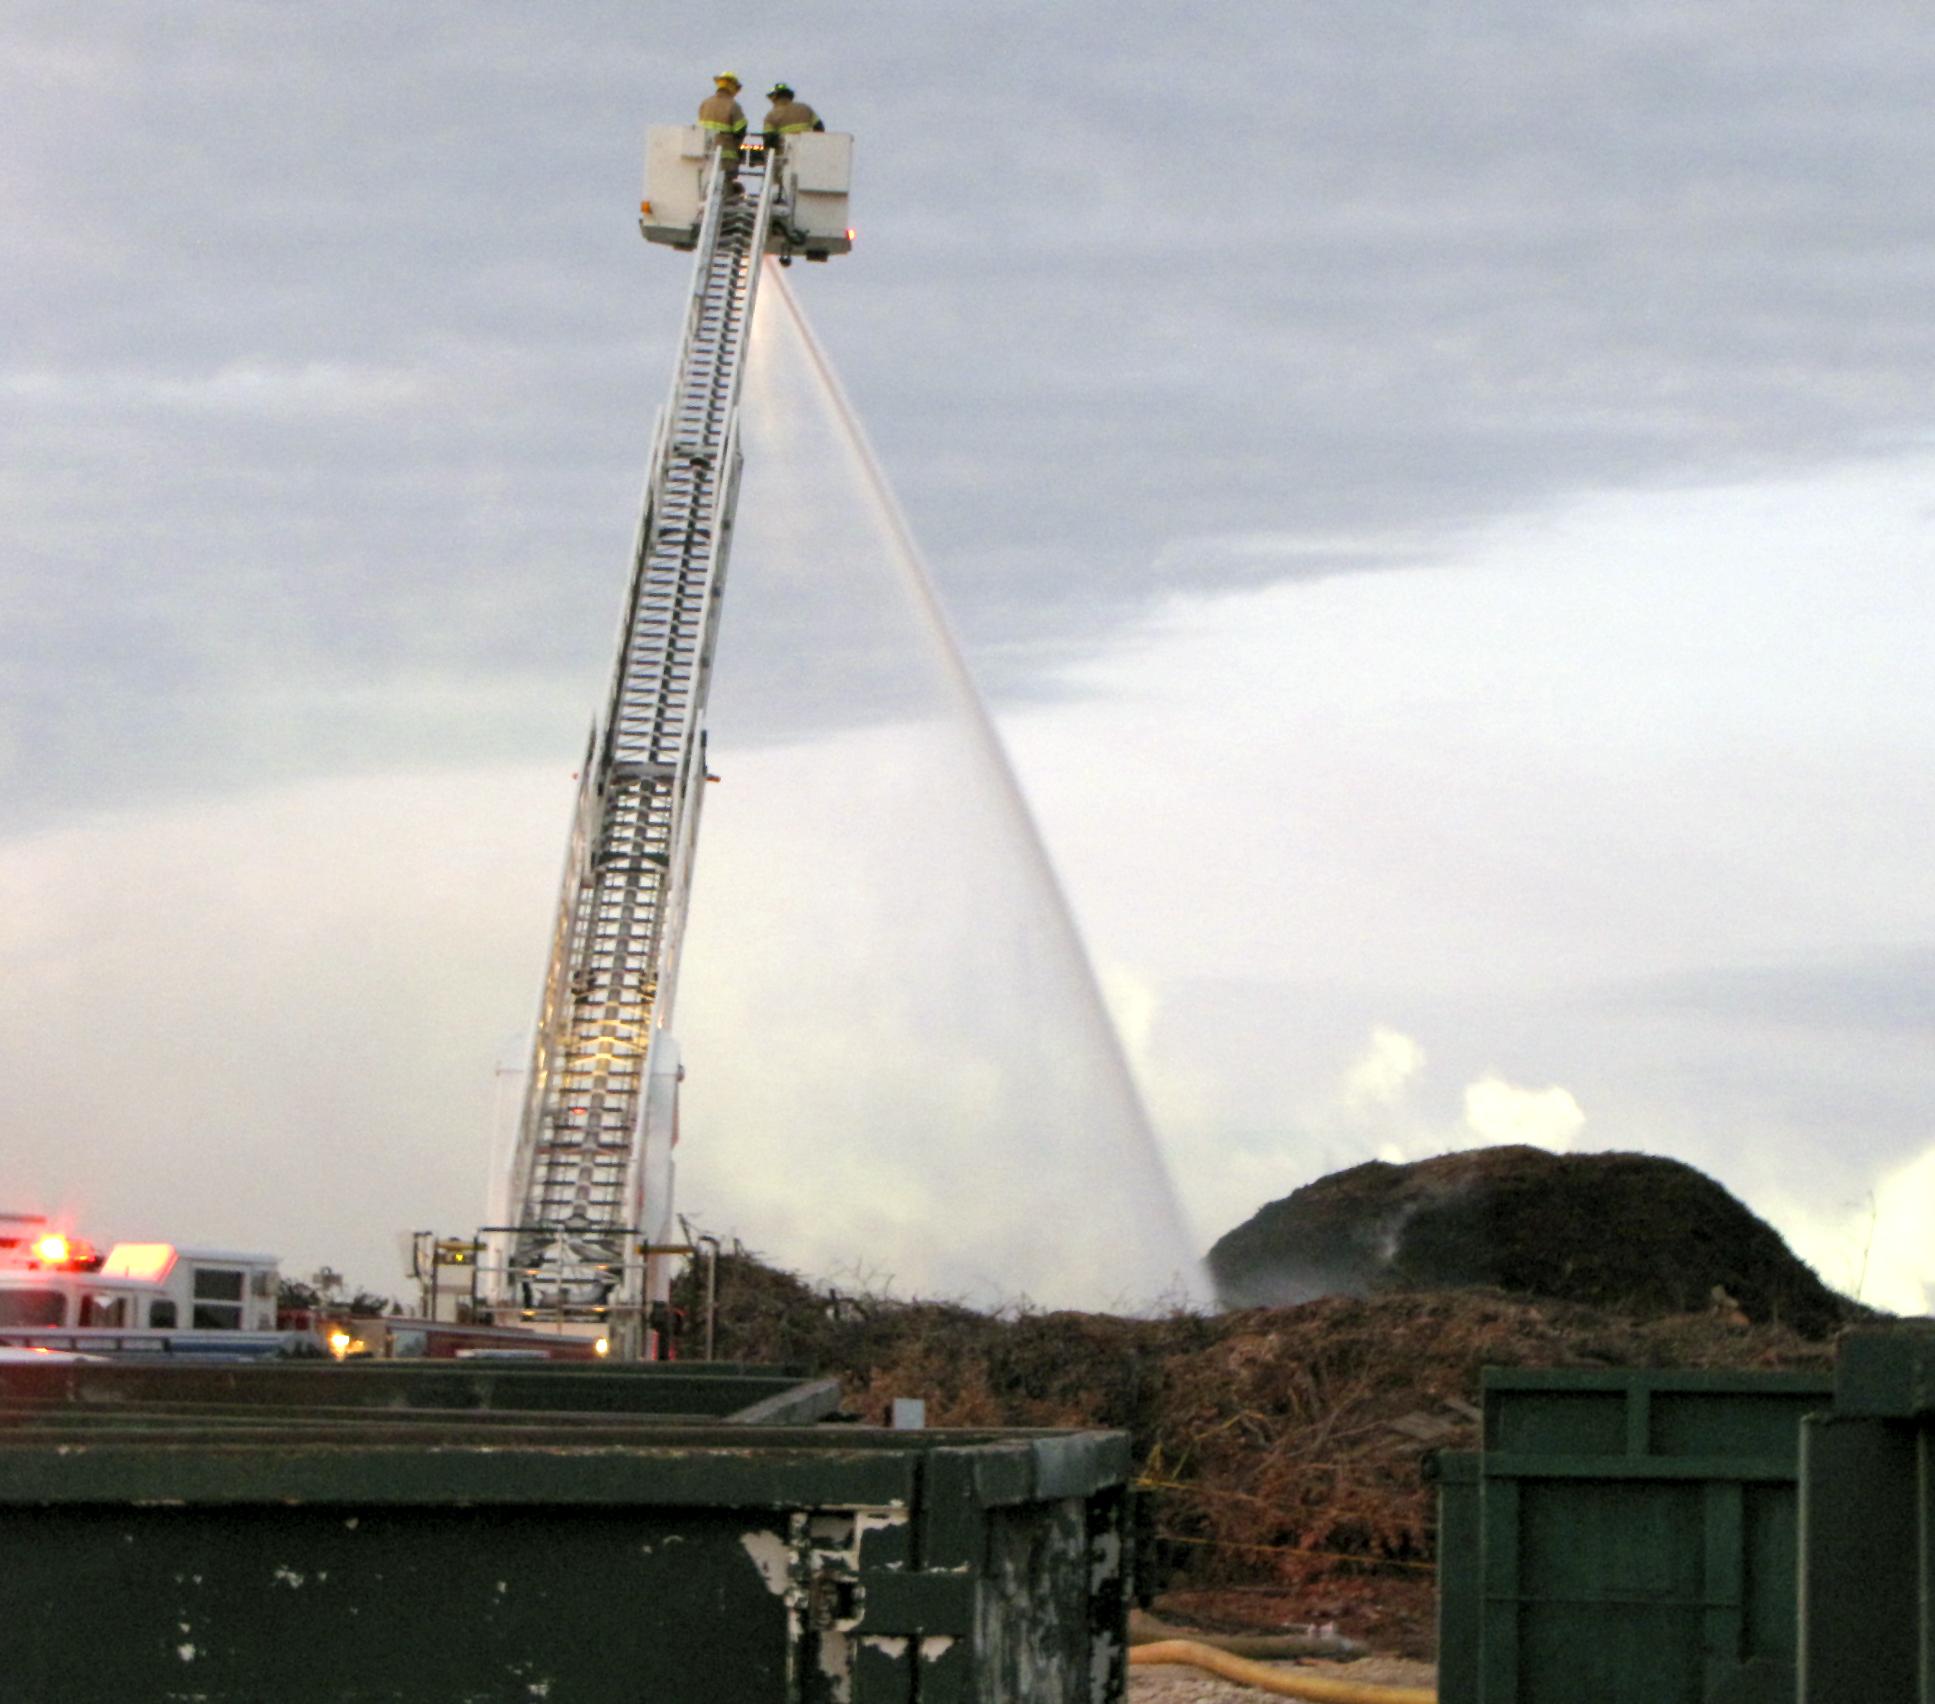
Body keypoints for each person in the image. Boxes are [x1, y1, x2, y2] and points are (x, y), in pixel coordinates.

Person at [697, 72, 748, 186]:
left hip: (705, 153)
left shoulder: (705, 103)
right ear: (732, 87)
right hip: (726, 157)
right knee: (725, 187)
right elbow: (741, 129)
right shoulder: (733, 105)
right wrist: (738, 146)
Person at [762, 83, 825, 152]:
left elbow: (769, 138)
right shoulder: (805, 108)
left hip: (785, 152)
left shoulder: (771, 116)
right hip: (807, 149)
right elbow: (819, 127)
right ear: (790, 96)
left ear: (774, 97)